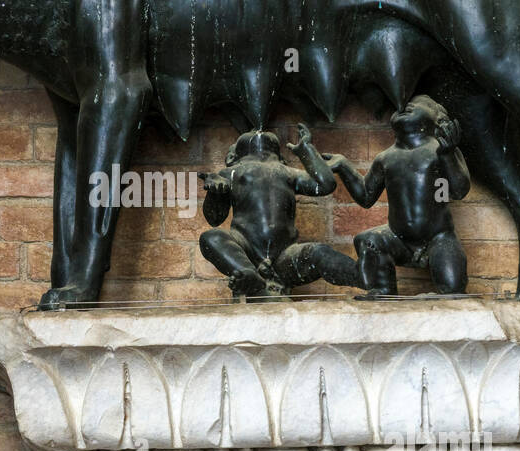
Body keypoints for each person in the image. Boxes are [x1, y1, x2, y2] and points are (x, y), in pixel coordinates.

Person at [328, 95, 470, 295]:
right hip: (398, 239)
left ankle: (443, 293)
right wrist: (343, 165)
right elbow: (366, 197)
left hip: (438, 238)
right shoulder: (386, 158)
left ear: (438, 119)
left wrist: (448, 155)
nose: (405, 106)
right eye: (401, 106)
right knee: (368, 240)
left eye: (418, 103)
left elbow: (459, 190)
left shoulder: (441, 150)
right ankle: (383, 290)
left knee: (454, 289)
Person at [200, 124, 362, 299]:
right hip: (246, 250)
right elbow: (214, 219)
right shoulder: (230, 173)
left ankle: (367, 279)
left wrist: (306, 149)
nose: (257, 131)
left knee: (320, 253)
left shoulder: (287, 173)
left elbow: (325, 184)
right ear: (233, 156)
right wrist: (215, 193)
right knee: (211, 237)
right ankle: (248, 274)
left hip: (285, 256)